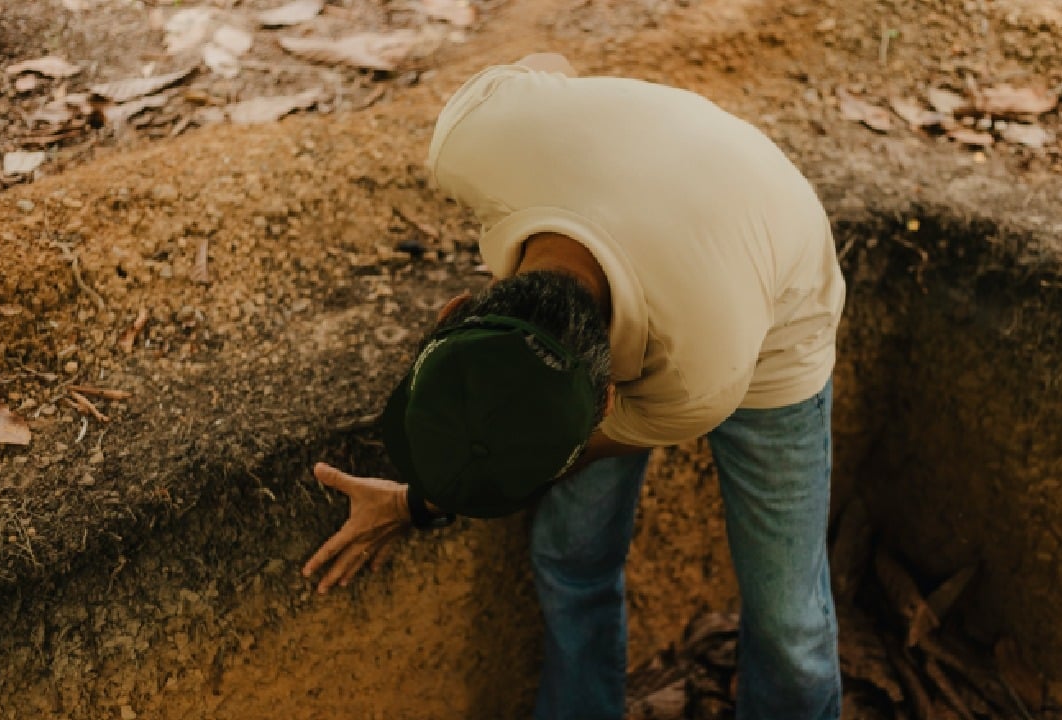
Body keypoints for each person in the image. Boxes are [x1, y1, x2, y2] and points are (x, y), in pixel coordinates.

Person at [301, 53, 847, 720]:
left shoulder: (705, 374)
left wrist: (419, 504)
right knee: (571, 549)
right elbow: (540, 65)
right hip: (683, 196)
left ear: (608, 403)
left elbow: (549, 456)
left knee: (789, 622)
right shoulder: (470, 142)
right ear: (453, 311)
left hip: (774, 309)